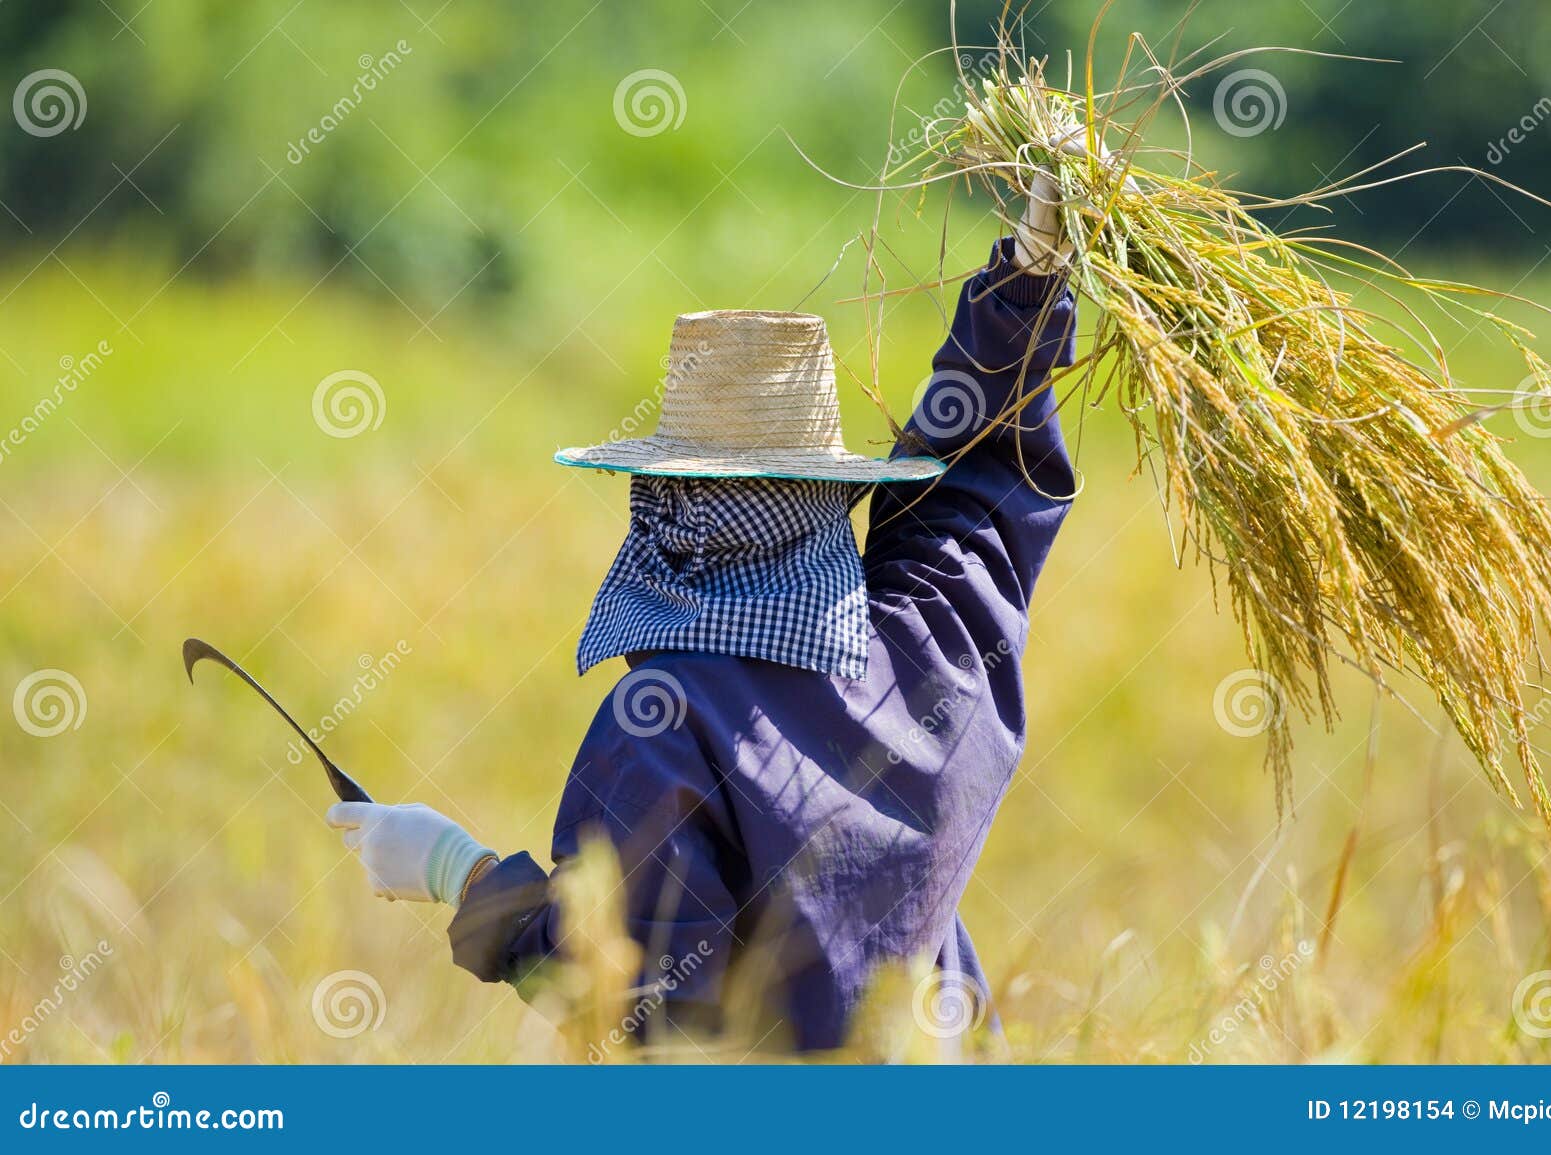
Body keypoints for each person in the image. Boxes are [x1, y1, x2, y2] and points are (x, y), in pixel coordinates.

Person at [326, 134, 1097, 1051]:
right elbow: (979, 493)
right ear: (822, 494)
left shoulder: (661, 724)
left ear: (665, 503)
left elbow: (625, 997)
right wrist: (1027, 287)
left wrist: (458, 871)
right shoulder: (932, 647)